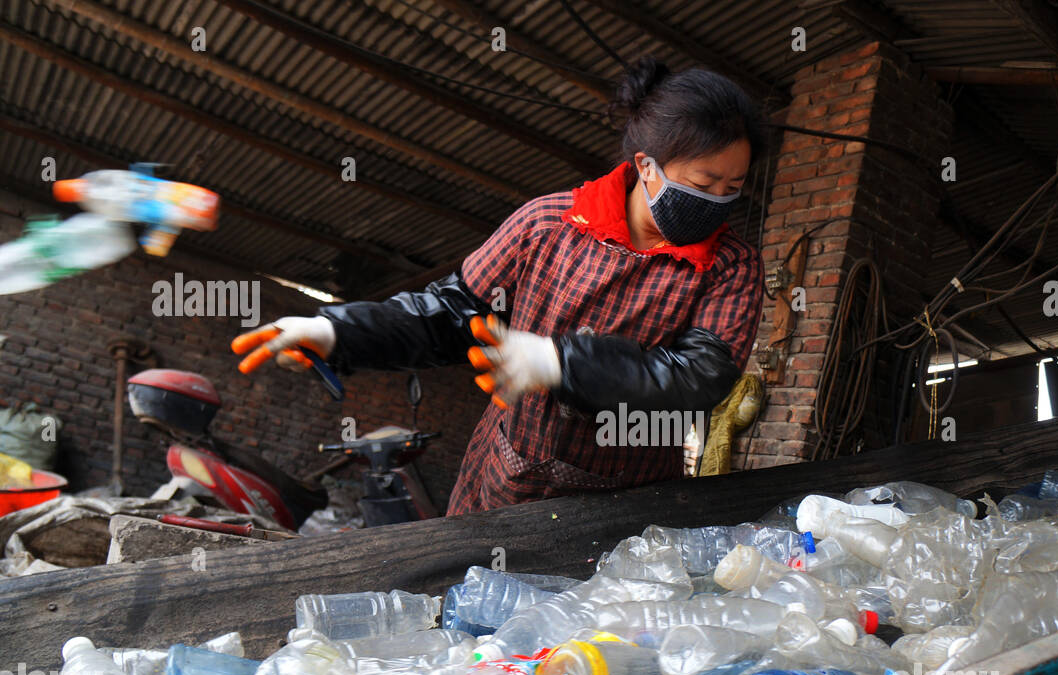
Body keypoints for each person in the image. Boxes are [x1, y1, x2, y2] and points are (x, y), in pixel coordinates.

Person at [233, 55, 766, 516]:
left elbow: (698, 380)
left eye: (732, 188)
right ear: (646, 166)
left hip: (633, 497)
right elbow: (450, 312)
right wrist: (337, 331)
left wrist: (562, 363)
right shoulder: (547, 223)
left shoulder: (732, 267)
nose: (717, 199)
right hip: (510, 478)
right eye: (702, 184)